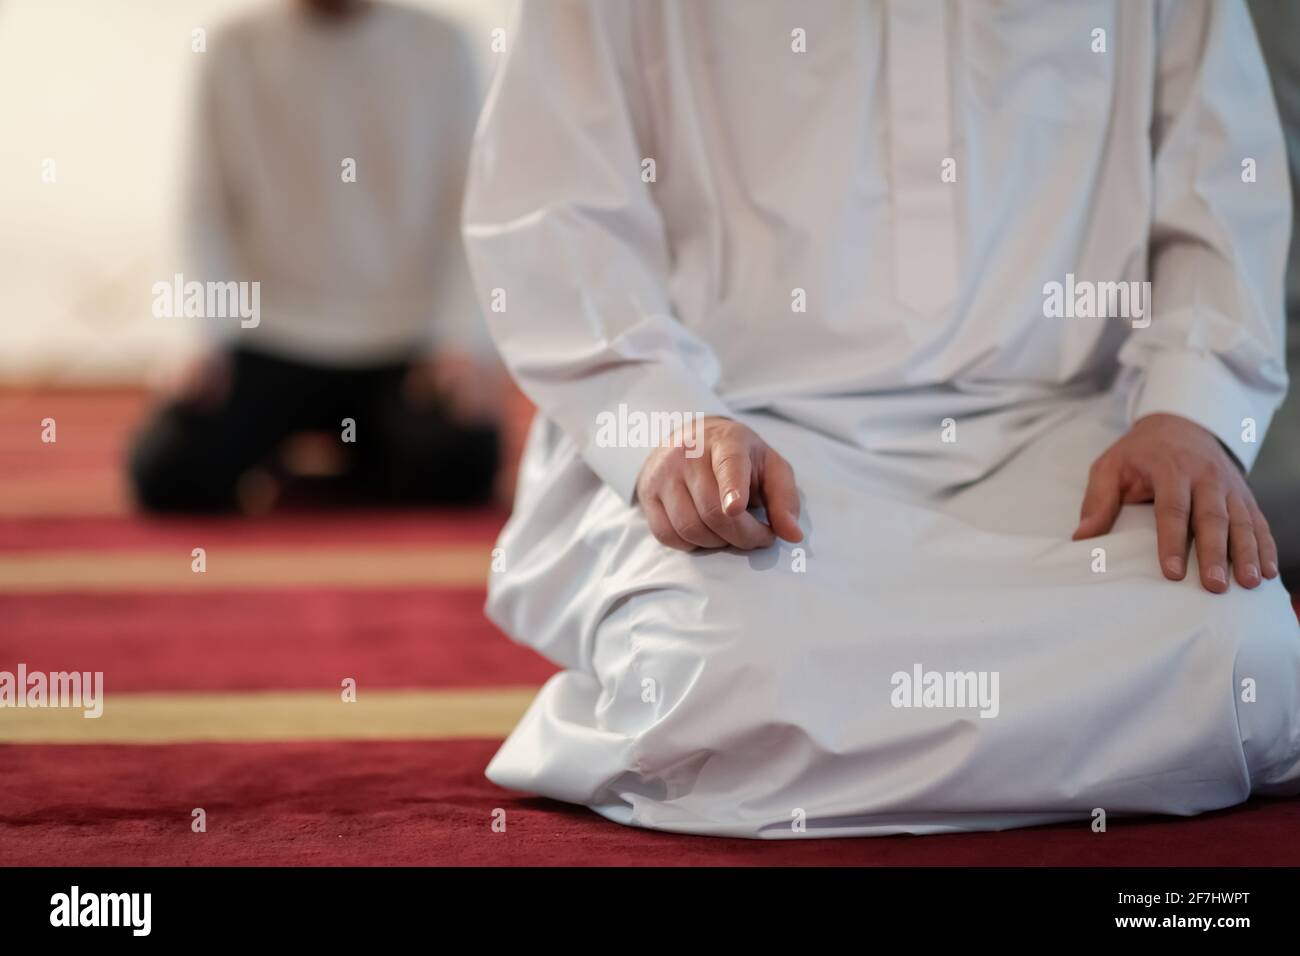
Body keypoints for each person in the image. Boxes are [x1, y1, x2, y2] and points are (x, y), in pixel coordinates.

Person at [462, 0, 1300, 838]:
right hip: (742, 448)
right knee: (718, 667)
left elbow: (1222, 179)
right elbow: (552, 206)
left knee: (1243, 658)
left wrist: (1188, 412)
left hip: (1066, 443)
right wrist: (663, 420)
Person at [128, 0, 498, 513]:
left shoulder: (445, 47)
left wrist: (462, 341)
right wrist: (203, 338)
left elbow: (473, 210)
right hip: (268, 336)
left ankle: (319, 476)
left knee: (460, 461)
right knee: (168, 467)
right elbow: (204, 211)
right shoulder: (231, 48)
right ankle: (353, 471)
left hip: (403, 344)